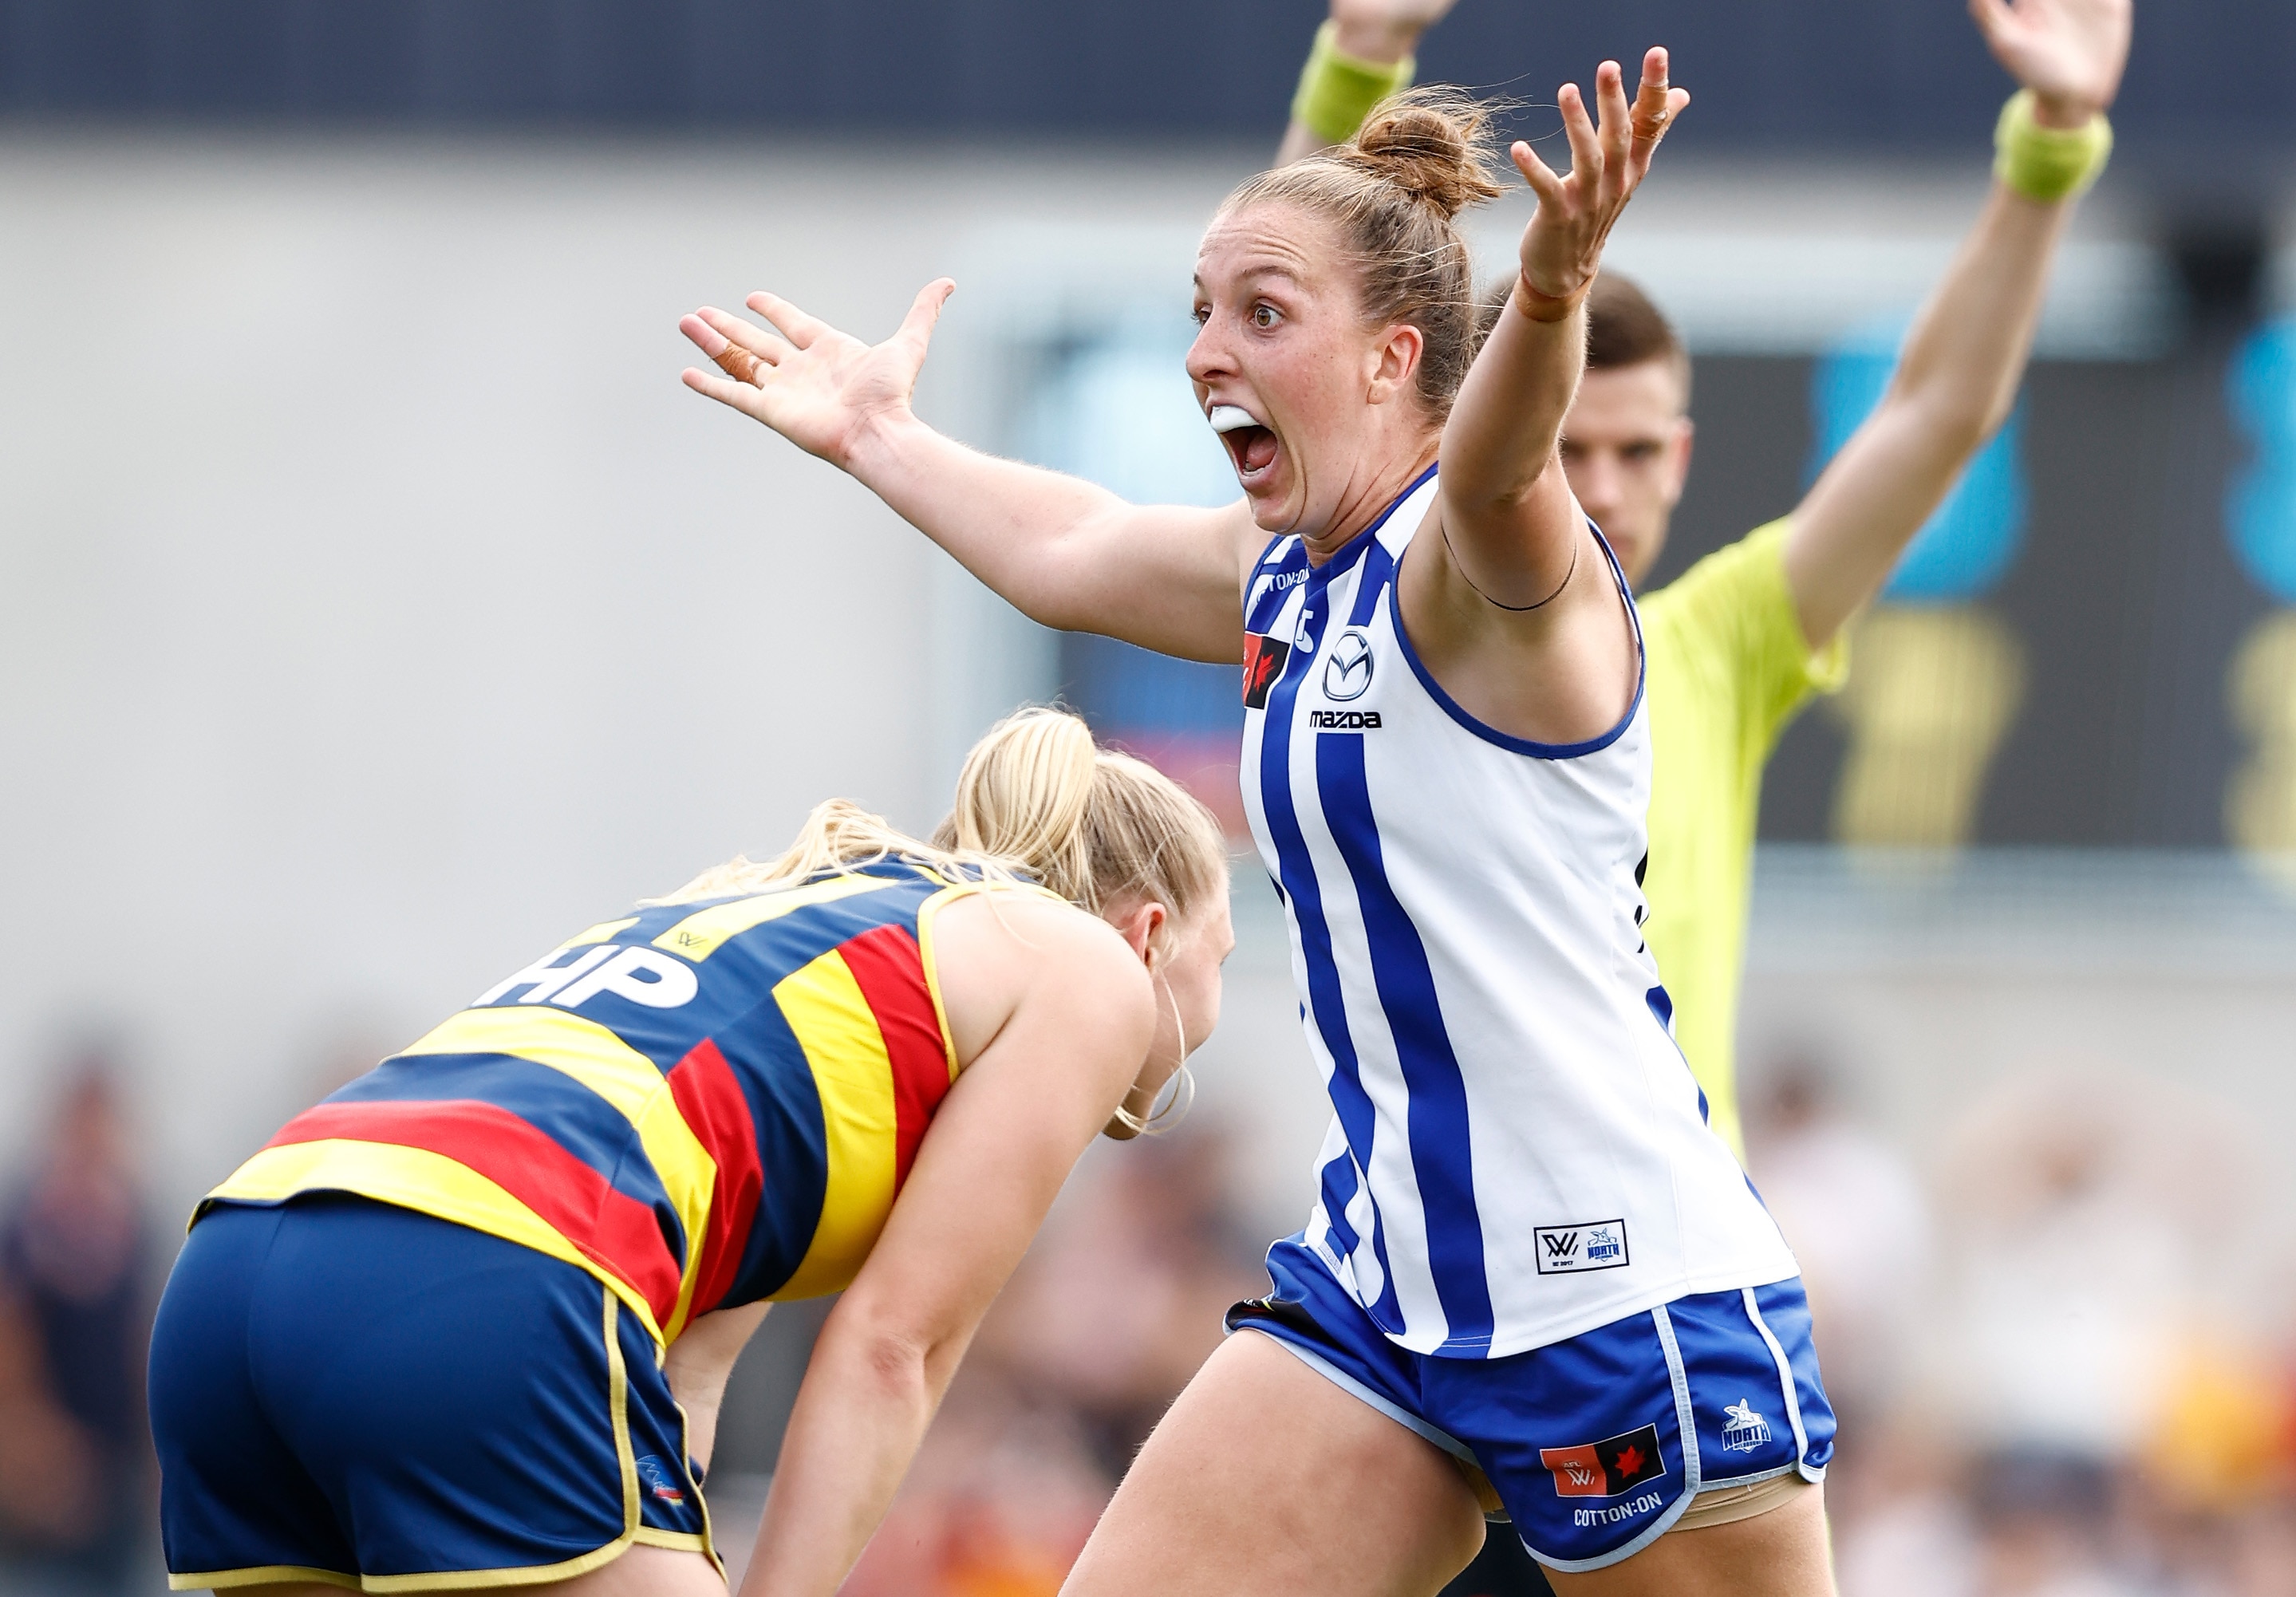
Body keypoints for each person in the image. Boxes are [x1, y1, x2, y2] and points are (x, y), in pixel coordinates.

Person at [681, 55, 1836, 1591]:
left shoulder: (1489, 571)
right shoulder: (1292, 571)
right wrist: (875, 434)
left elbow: (1496, 467)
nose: (1205, 352)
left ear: (1392, 361)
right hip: (1386, 1286)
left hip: (1616, 1301)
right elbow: (1075, 542)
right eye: (1200, 310)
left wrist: (1551, 294)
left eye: (1262, 314)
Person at [1274, 0, 2130, 1157]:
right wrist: (1361, 59)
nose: (1608, 492)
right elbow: (1287, 346)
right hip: (1431, 1242)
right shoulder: (1395, 620)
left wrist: (2051, 141)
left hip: (1658, 1272)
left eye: (1636, 452)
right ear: (1485, 442)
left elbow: (1934, 417)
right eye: (1565, 451)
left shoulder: (1718, 640)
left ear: (1680, 458)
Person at [146, 708, 1235, 1597]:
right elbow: (895, 1347)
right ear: (1146, 935)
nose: (1216, 1005)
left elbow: (690, 1368)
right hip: (486, 1273)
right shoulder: (1084, 967)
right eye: (1220, 958)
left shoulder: (803, 906)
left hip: (236, 1269)